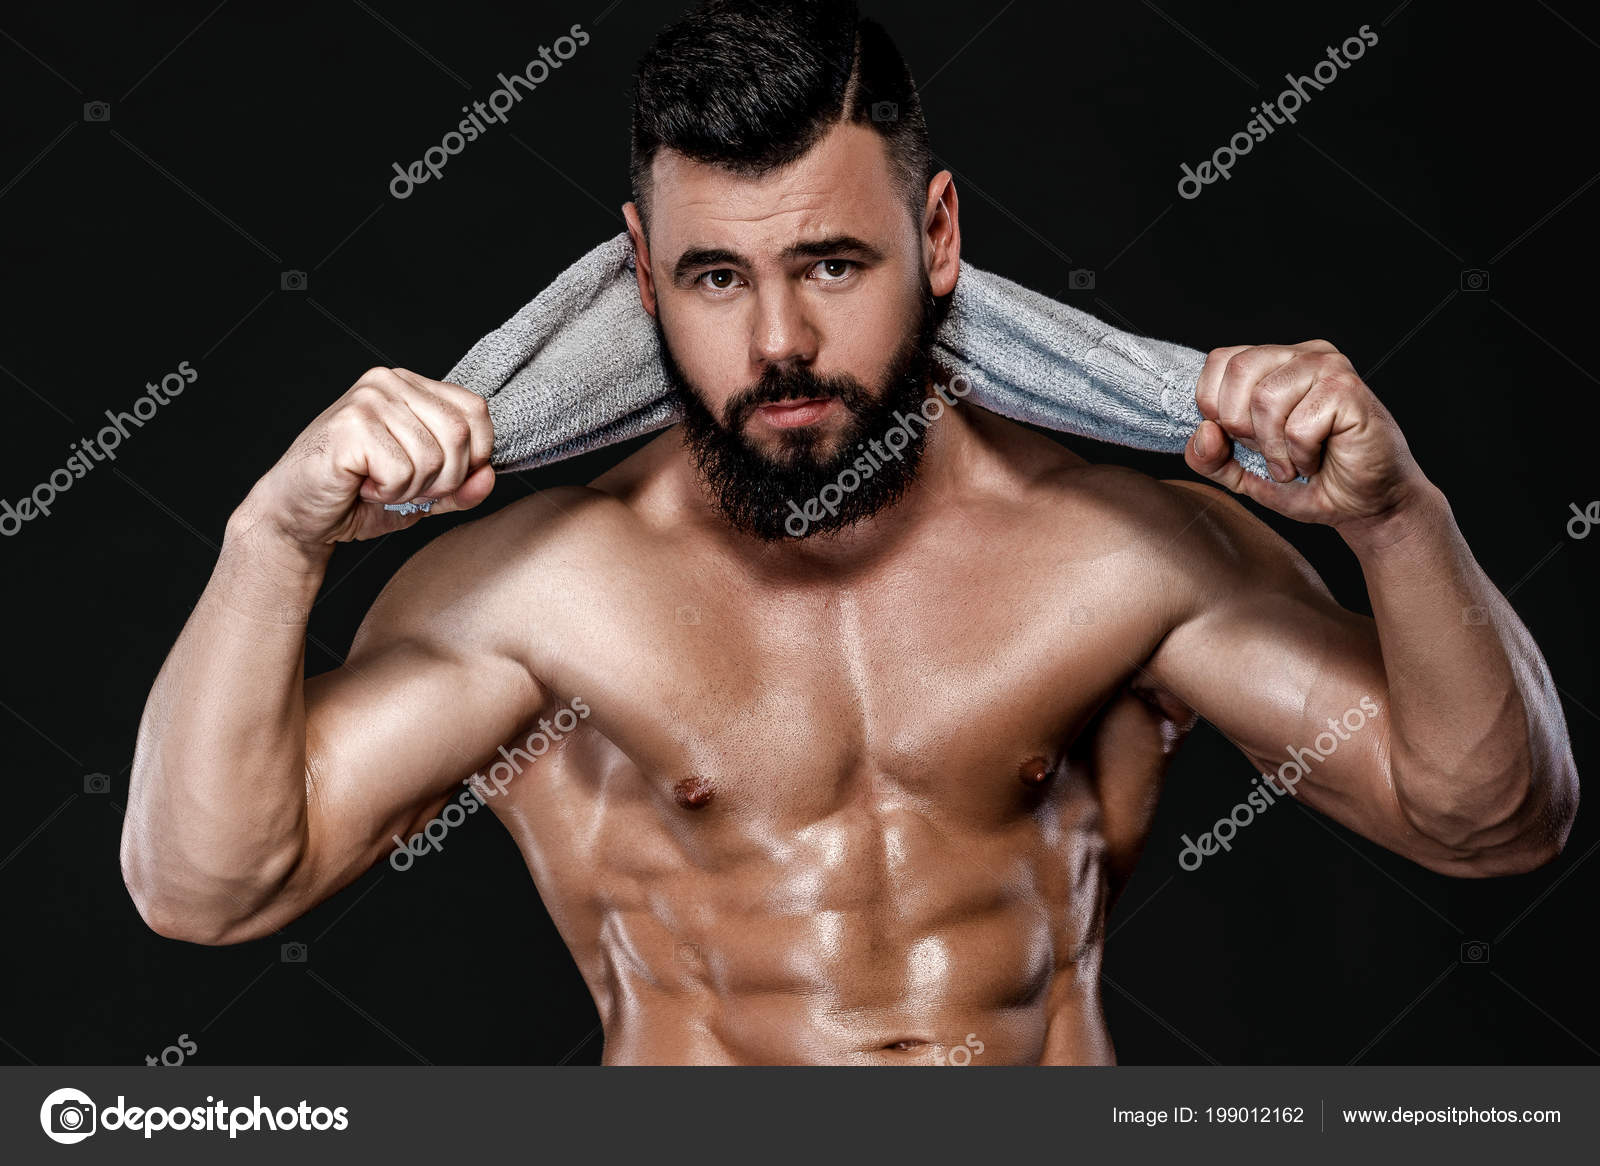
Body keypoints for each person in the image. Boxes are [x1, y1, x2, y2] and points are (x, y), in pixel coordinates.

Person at [121, 0, 1578, 1064]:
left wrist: (1399, 521)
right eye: (716, 277)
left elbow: (1495, 821)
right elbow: (208, 887)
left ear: (937, 237)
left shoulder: (1125, 554)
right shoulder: (543, 590)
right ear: (641, 275)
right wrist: (272, 541)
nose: (780, 343)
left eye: (831, 264)